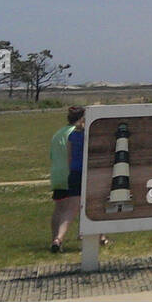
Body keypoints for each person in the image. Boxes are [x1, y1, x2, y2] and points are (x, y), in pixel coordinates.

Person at [66, 108, 109, 248]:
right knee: (96, 205)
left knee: (80, 205)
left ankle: (83, 231)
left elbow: (69, 156)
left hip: (75, 172)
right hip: (91, 173)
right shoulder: (92, 135)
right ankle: (101, 235)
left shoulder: (73, 135)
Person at [49, 107, 82, 252]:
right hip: (71, 173)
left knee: (59, 209)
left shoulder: (57, 133)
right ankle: (95, 236)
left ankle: (55, 240)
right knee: (78, 207)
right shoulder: (75, 133)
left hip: (56, 175)